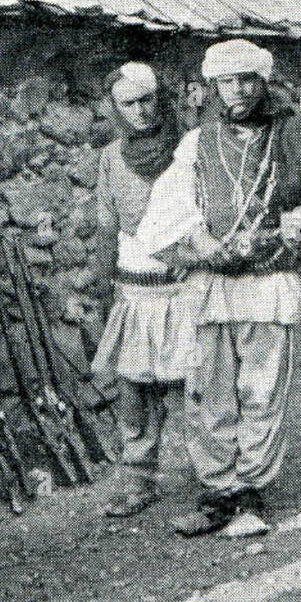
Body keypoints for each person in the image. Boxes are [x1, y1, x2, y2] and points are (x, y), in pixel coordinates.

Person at [138, 40, 301, 536]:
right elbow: (169, 207)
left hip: (269, 284)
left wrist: (287, 232)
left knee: (261, 390)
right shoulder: (197, 142)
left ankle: (253, 492)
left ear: (264, 82)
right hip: (212, 284)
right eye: (226, 81)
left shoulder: (293, 136)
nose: (237, 91)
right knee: (209, 391)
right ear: (213, 86)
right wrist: (199, 241)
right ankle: (218, 491)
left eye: (248, 79)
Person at [90, 63, 194, 517]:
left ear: (161, 98)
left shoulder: (189, 148)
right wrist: (104, 283)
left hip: (182, 286)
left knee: (187, 386)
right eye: (128, 103)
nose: (140, 111)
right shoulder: (112, 158)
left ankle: (211, 478)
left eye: (147, 99)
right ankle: (138, 478)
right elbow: (107, 224)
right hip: (134, 288)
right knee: (134, 389)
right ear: (115, 109)